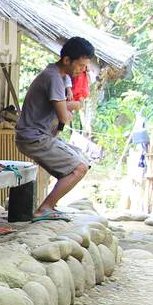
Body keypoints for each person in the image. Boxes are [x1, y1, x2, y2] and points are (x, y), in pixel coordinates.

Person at [14, 36, 94, 221]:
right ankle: (45, 209)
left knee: (83, 160)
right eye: (81, 66)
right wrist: (76, 106)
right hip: (34, 138)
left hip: (40, 136)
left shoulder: (59, 75)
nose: (82, 70)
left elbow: (65, 104)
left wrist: (70, 102)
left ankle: (51, 205)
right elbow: (64, 117)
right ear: (67, 60)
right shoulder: (53, 78)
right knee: (79, 168)